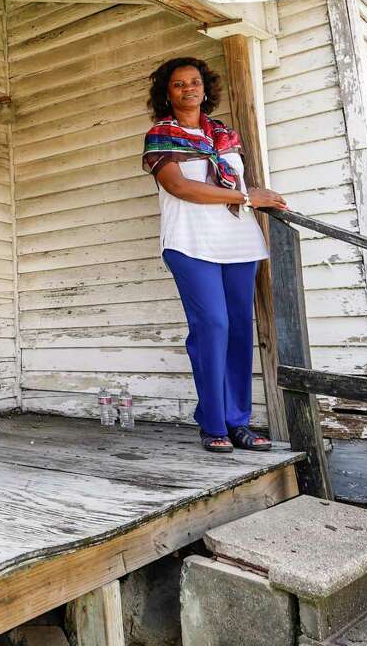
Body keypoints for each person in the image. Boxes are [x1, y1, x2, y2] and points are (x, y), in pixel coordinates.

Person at [141, 57, 287, 453]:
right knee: (213, 328)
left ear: (205, 88)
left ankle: (237, 422)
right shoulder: (160, 136)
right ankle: (212, 422)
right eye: (178, 84)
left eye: (194, 81)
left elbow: (238, 180)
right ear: (167, 93)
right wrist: (246, 196)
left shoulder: (225, 135)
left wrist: (263, 198)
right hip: (190, 243)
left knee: (239, 331)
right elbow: (180, 187)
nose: (188, 88)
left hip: (238, 242)